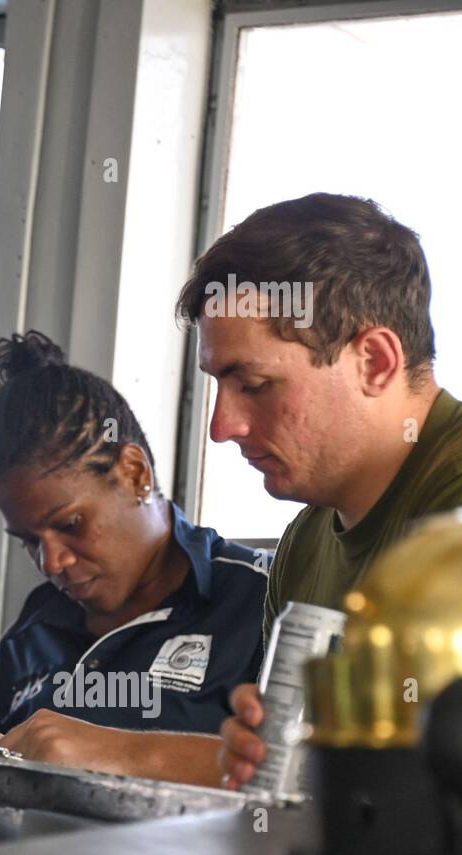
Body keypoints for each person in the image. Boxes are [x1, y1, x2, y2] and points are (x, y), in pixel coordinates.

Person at [174, 193, 462, 789]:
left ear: (375, 362)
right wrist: (253, 758)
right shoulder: (302, 548)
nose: (222, 427)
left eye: (254, 384)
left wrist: (129, 754)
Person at [0, 332, 267, 783]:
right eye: (28, 540)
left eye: (71, 524)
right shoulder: (21, 650)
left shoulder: (260, 603)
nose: (51, 563)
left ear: (134, 474)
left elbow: (312, 788)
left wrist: (127, 754)